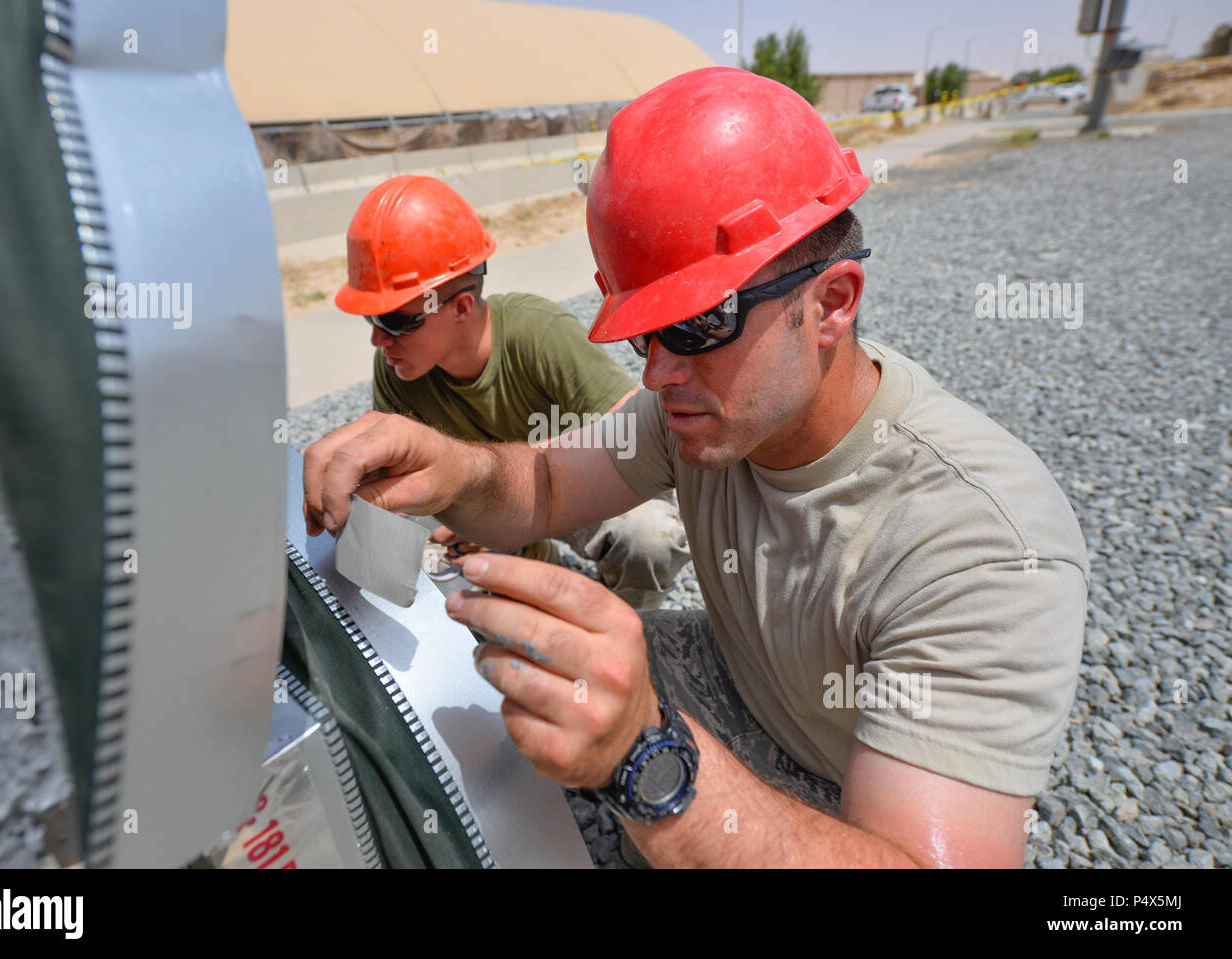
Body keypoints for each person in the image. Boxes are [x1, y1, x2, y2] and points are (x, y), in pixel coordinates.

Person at [303, 67, 1089, 868]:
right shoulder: (705, 414)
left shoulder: (982, 542)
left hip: (848, 799)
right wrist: (453, 469)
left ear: (833, 302)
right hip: (747, 685)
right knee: (539, 675)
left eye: (700, 324)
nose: (656, 374)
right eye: (644, 334)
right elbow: (543, 484)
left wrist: (649, 762)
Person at [330, 174, 689, 609]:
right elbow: (396, 495)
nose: (378, 341)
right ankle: (530, 565)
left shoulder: (539, 333)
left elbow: (633, 437)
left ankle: (631, 625)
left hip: (581, 488)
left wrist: (500, 494)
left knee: (648, 536)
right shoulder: (397, 366)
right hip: (486, 506)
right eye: (371, 321)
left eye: (395, 322)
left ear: (461, 307)